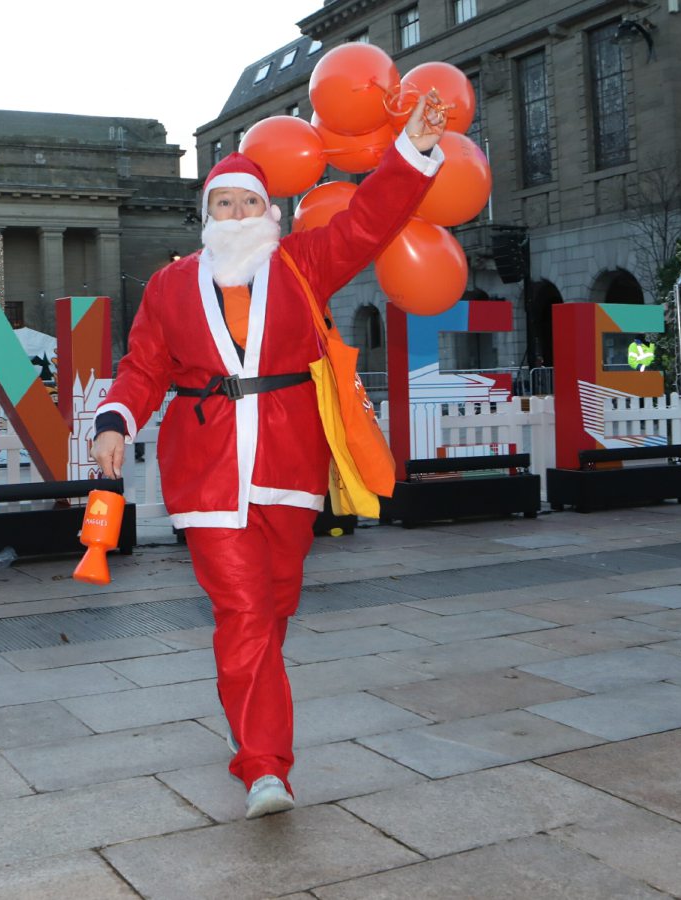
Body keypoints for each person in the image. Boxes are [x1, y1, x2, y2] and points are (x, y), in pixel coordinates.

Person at [89, 94, 448, 820]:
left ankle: (256, 730)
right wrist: (115, 419)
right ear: (207, 215)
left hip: (289, 469)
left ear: (267, 212)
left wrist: (410, 148)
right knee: (244, 611)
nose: (233, 215)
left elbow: (369, 221)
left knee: (274, 607)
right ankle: (264, 768)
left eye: (246, 202)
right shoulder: (168, 285)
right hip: (208, 474)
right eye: (220, 204)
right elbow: (143, 366)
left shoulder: (303, 265)